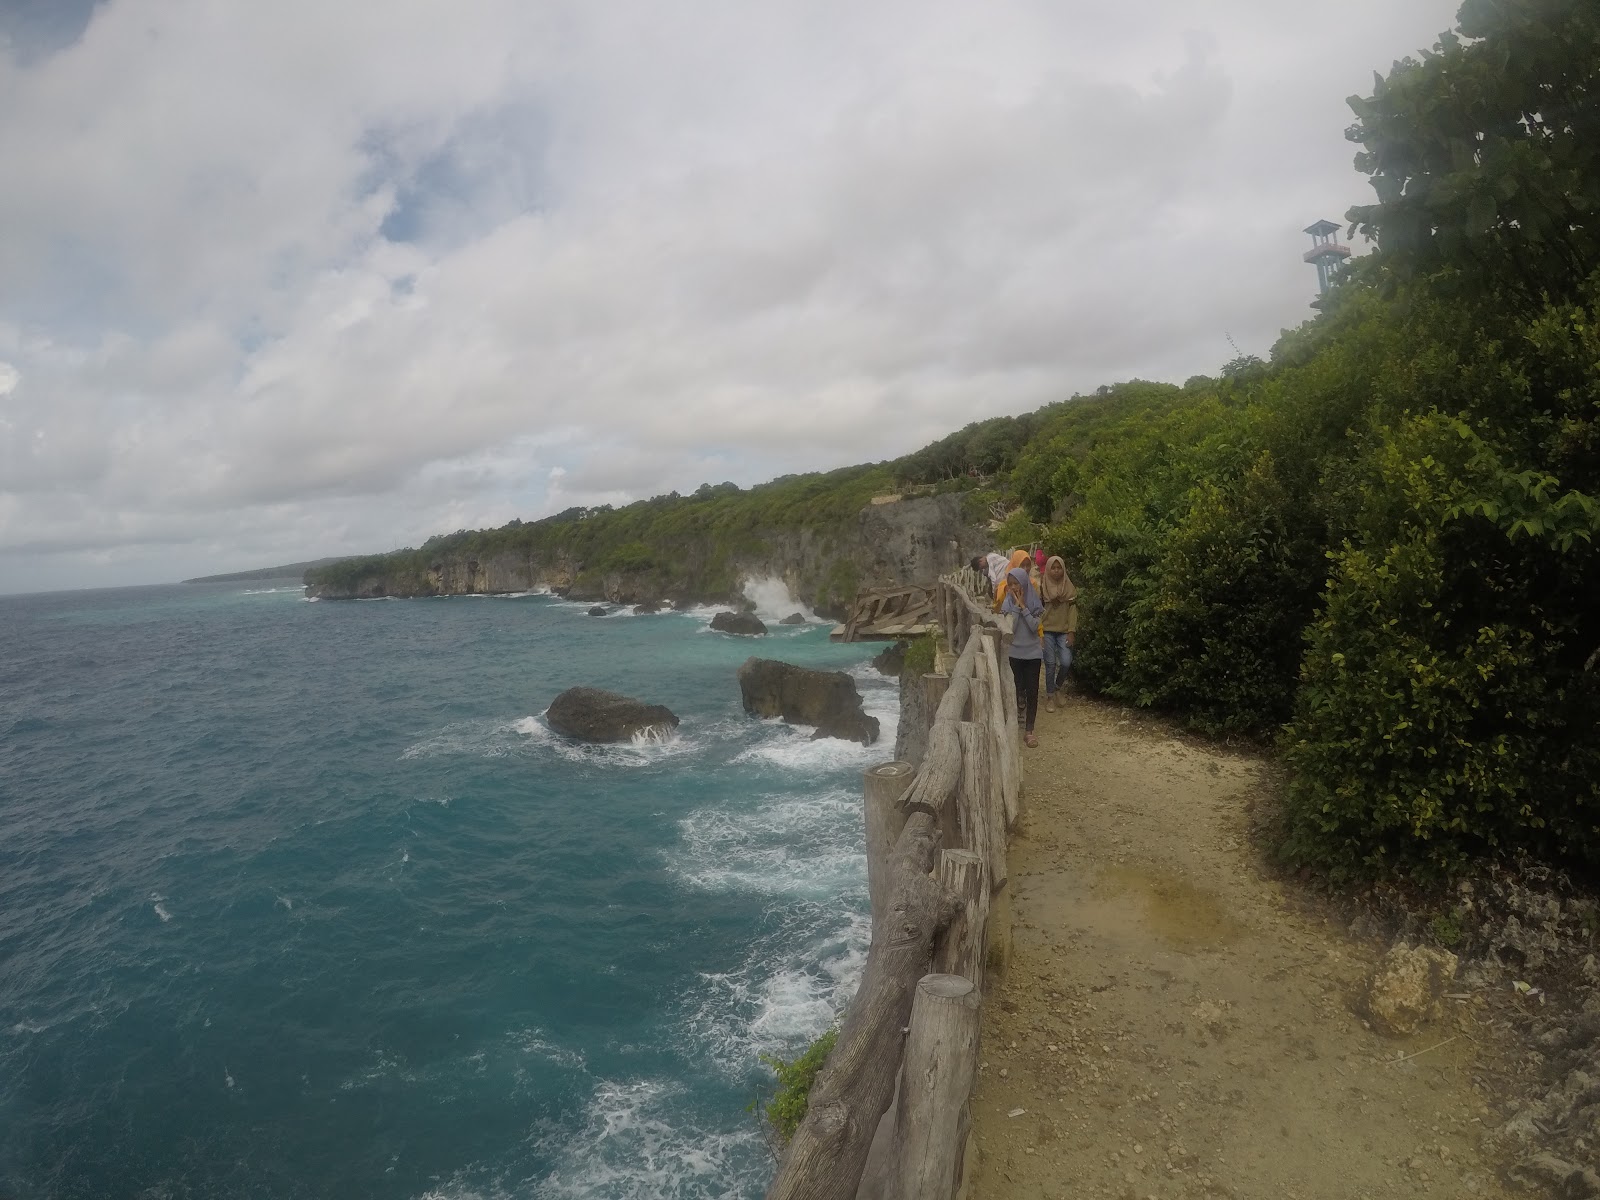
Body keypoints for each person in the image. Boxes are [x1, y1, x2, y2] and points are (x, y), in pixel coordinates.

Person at [999, 565, 1044, 747]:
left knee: (1032, 691)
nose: (1014, 588)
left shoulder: (1036, 604)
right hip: (1015, 653)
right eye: (1010, 585)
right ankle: (1017, 714)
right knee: (1018, 688)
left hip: (1033, 653)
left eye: (1016, 583)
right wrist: (1017, 608)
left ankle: (1029, 731)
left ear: (1024, 583)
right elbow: (1011, 628)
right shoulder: (1006, 604)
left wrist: (1024, 607)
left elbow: (1035, 627)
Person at [1039, 555, 1078, 713]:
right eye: (1053, 568)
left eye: (1059, 567)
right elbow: (1037, 612)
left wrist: (1071, 631)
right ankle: (1049, 697)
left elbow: (1073, 611)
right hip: (1047, 630)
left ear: (1063, 569)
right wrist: (1039, 633)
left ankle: (1057, 687)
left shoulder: (1069, 588)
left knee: (1066, 661)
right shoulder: (1042, 588)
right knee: (1049, 664)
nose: (1056, 571)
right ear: (1048, 569)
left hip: (1063, 631)